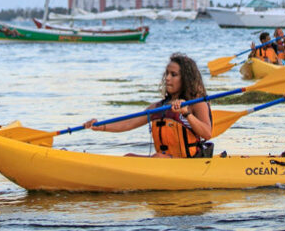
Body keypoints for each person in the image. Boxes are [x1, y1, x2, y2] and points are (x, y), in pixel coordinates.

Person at [83, 53, 213, 158]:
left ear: (185, 79)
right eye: (167, 73)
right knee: (129, 157)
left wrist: (186, 113)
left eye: (173, 75)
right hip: (164, 161)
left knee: (158, 158)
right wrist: (99, 126)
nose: (167, 78)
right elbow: (128, 123)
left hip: (190, 162)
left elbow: (207, 133)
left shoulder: (197, 103)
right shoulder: (157, 108)